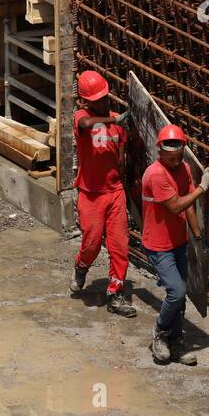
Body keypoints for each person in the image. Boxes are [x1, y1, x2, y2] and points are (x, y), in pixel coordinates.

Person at [141, 124, 209, 365]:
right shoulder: (156, 174)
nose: (175, 162)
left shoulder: (182, 168)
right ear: (159, 152)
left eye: (178, 157)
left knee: (180, 298)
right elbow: (176, 206)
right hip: (158, 244)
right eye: (170, 158)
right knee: (177, 291)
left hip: (178, 242)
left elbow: (188, 204)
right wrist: (204, 187)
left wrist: (197, 236)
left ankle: (176, 342)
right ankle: (160, 333)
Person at [69, 70, 136, 316]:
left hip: (114, 191)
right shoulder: (81, 117)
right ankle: (82, 265)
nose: (102, 102)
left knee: (120, 247)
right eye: (97, 99)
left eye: (104, 97)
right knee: (92, 243)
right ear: (86, 101)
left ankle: (116, 294)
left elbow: (120, 157)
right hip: (90, 193)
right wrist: (113, 122)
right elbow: (86, 125)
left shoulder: (117, 121)